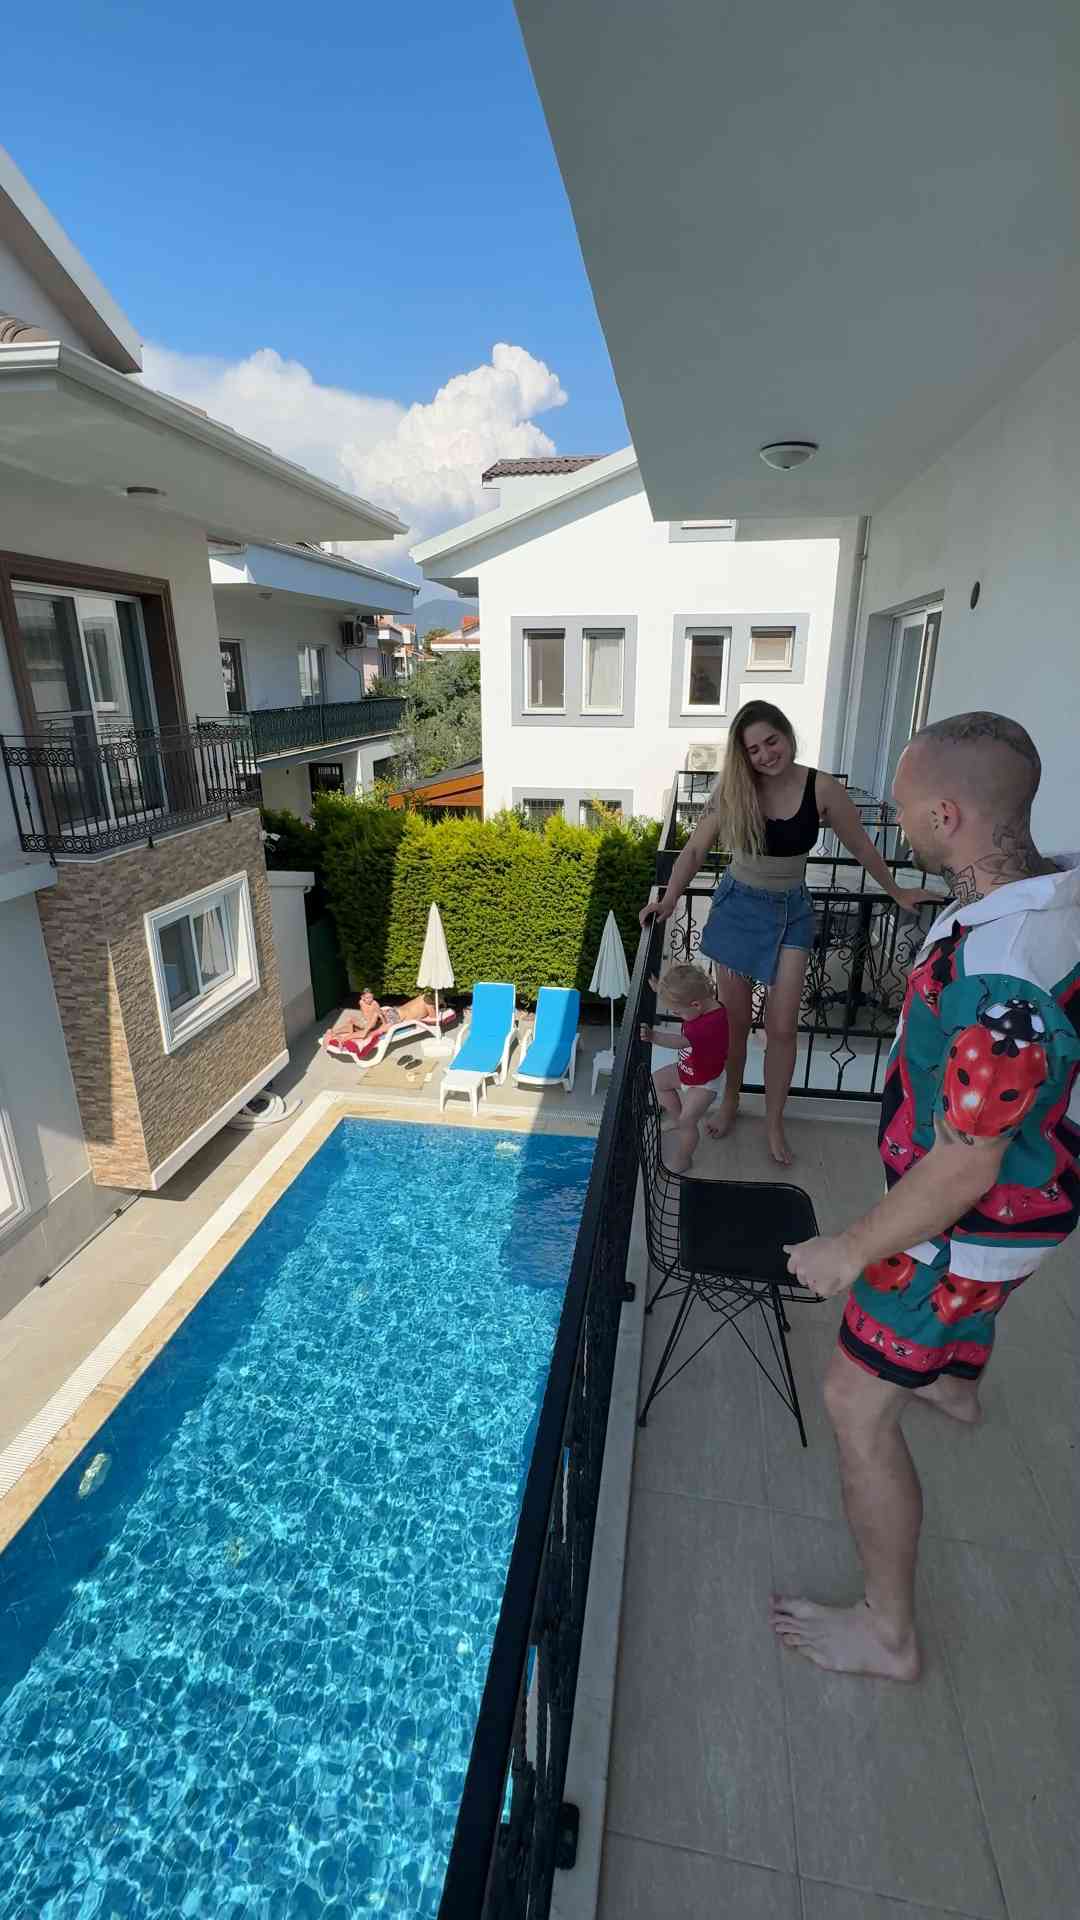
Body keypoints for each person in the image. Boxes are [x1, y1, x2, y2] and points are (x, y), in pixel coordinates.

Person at [774, 712, 1080, 1681]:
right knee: (952, 1334)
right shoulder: (1044, 894)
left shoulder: (1003, 978)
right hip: (1033, 1205)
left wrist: (852, 1248)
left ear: (947, 815)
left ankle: (888, 1632)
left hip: (969, 1226)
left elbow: (963, 1168)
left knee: (853, 1402)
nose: (895, 823)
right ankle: (954, 1383)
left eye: (905, 811)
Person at [640, 701, 938, 1164]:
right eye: (753, 749)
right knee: (734, 1024)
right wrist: (669, 898)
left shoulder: (822, 788)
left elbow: (861, 845)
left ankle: (774, 1121)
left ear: (788, 735)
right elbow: (695, 849)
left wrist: (896, 890)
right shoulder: (736, 790)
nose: (764, 754)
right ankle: (733, 1099)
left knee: (781, 1028)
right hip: (739, 907)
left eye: (771, 741)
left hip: (791, 911)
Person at [639, 963, 730, 1171]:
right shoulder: (704, 1004)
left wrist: (654, 1036)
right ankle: (677, 1118)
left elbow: (677, 1042)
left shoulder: (708, 1025)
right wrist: (661, 989)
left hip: (705, 1082)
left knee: (689, 1121)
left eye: (678, 1012)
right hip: (689, 1068)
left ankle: (683, 1158)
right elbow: (684, 995)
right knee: (659, 1081)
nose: (678, 1015)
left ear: (696, 1004)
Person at [320, 989, 436, 1052]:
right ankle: (342, 1038)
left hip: (393, 1012)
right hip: (395, 1018)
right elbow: (433, 1018)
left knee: (366, 1026)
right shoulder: (428, 1001)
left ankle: (334, 1033)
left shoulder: (422, 996)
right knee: (371, 1033)